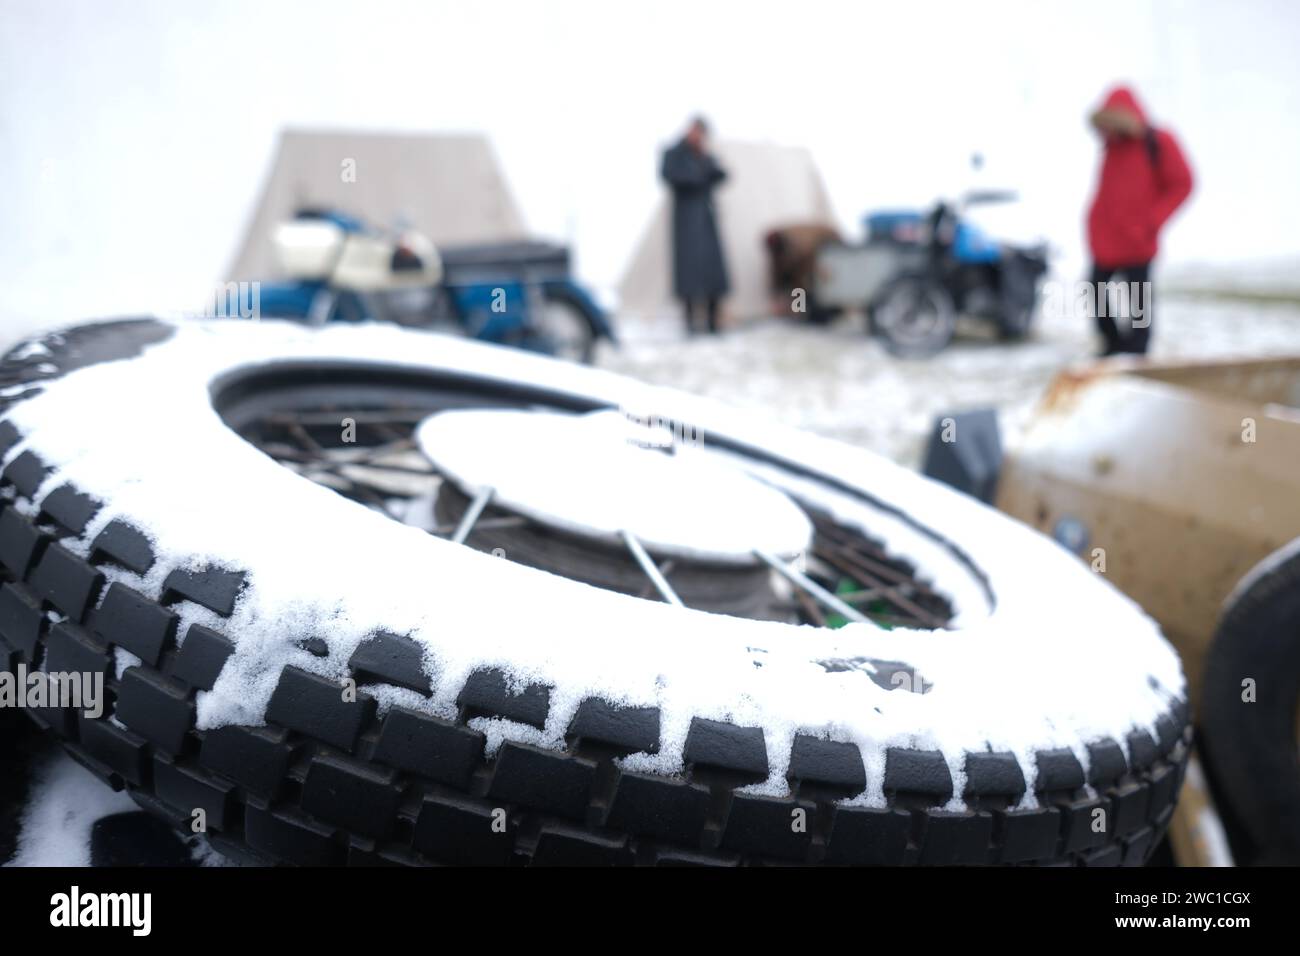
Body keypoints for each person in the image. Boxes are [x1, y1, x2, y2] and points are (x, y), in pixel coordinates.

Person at [1086, 85, 1193, 356]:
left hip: (1137, 239)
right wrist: (1093, 223)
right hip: (1107, 239)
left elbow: (1183, 183)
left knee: (1139, 302)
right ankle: (1112, 346)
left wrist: (1152, 221)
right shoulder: (1112, 147)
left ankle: (1137, 353)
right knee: (1095, 288)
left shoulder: (1158, 142)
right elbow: (1107, 193)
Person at [661, 117, 730, 334]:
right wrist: (698, 177)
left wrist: (709, 174)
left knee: (713, 274)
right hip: (686, 221)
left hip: (706, 219)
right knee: (689, 276)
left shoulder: (704, 155)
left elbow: (720, 174)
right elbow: (670, 176)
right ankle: (690, 323)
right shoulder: (674, 154)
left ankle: (712, 322)